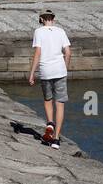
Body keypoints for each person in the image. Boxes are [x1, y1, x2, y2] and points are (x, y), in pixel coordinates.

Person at [28, 9, 71, 150]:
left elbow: (38, 53)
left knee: (48, 100)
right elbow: (68, 52)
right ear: (54, 18)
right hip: (60, 70)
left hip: (46, 71)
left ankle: (50, 123)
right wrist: (65, 68)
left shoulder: (38, 32)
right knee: (60, 104)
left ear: (41, 19)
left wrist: (32, 73)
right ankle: (56, 139)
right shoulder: (61, 31)